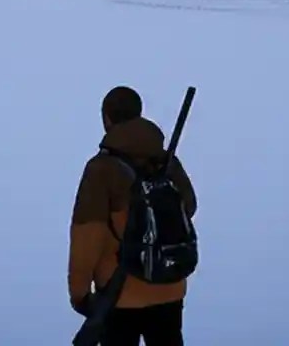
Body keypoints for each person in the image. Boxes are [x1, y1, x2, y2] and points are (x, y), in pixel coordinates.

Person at [68, 86, 198, 346]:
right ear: (139, 113)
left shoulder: (101, 170)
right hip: (169, 286)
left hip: (119, 296)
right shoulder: (165, 160)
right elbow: (189, 207)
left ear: (106, 119)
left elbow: (87, 236)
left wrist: (80, 294)